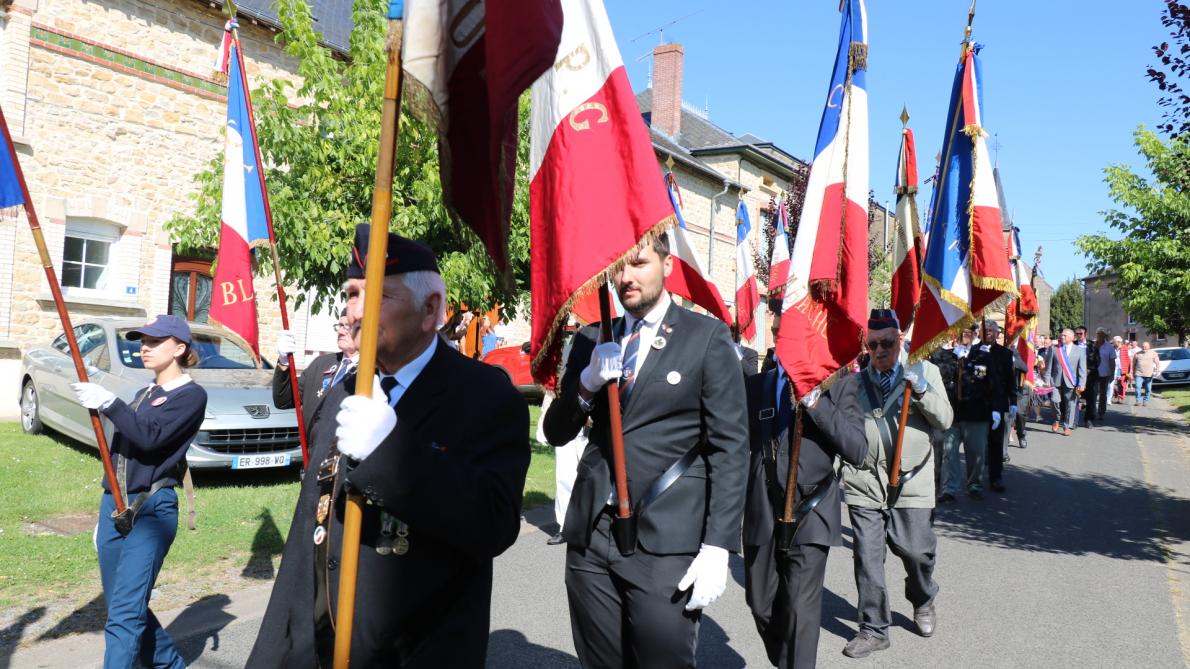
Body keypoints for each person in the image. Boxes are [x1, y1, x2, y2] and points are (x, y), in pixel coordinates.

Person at [247, 225, 529, 667]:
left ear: (430, 309)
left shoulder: (484, 396)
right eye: (350, 293)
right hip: (320, 644)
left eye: (374, 294)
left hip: (415, 651)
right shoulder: (345, 390)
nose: (353, 311)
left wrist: (392, 454)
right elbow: (309, 530)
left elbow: (493, 524)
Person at [542, 235, 748, 668]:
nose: (626, 277)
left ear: (667, 264)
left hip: (667, 538)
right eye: (618, 268)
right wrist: (586, 384)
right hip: (593, 534)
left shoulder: (705, 336)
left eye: (639, 263)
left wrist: (718, 546)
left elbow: (731, 448)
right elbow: (556, 431)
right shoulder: (593, 339)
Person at [70, 315, 208, 669]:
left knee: (124, 618)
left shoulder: (191, 396)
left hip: (151, 509)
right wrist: (104, 510)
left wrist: (109, 403)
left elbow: (150, 438)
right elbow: (120, 454)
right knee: (123, 607)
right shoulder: (144, 392)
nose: (143, 347)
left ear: (179, 348)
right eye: (142, 341)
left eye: (154, 341)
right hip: (115, 506)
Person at [742, 307, 868, 669]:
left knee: (800, 611)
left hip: (812, 510)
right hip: (764, 506)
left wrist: (814, 401)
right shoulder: (763, 381)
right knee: (761, 602)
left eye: (788, 334)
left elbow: (857, 450)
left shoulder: (841, 383)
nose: (781, 341)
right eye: (777, 332)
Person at [841, 310, 951, 659]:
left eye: (887, 342)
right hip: (865, 480)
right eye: (872, 344)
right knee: (868, 559)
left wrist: (920, 388)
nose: (879, 350)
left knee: (917, 552)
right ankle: (873, 628)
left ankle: (923, 597)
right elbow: (844, 429)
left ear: (900, 340)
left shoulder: (925, 371)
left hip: (912, 479)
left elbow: (945, 420)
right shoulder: (857, 381)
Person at [273, 309, 359, 432]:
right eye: (340, 325)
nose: (340, 331)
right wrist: (284, 360)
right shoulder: (321, 364)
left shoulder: (374, 372)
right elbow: (284, 400)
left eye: (347, 326)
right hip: (314, 449)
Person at [949, 323, 1007, 500]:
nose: (965, 334)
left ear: (975, 334)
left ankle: (974, 484)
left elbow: (994, 384)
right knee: (948, 453)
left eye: (969, 332)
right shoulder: (948, 356)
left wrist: (997, 409)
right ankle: (948, 489)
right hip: (952, 414)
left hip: (976, 413)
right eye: (962, 332)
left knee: (976, 453)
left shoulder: (983, 355)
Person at [982, 322, 1016, 493]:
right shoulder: (975, 352)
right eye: (985, 330)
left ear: (997, 334)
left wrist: (1014, 401)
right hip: (979, 404)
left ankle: (996, 477)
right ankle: (975, 479)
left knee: (996, 442)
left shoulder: (1005, 354)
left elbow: (1011, 380)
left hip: (998, 404)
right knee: (979, 443)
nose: (988, 333)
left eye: (991, 331)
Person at [927, 337, 960, 504]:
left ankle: (934, 495)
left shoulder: (950, 357)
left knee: (939, 455)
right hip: (917, 413)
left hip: (939, 411)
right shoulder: (914, 356)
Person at [1048, 328, 1087, 436]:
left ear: (1071, 337)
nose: (1062, 336)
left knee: (1071, 404)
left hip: (1071, 382)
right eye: (1061, 335)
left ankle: (1067, 426)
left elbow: (1082, 369)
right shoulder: (1054, 349)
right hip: (1055, 381)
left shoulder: (1080, 351)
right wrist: (1047, 381)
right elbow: (1048, 367)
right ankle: (1056, 419)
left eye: (1065, 335)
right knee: (1055, 400)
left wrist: (1082, 384)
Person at [1090, 328, 1116, 425]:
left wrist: (1112, 374)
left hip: (1105, 374)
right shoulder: (1093, 345)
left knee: (1103, 394)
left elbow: (1112, 362)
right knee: (1093, 393)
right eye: (1098, 334)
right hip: (1093, 373)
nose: (1099, 336)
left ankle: (1101, 412)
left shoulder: (1109, 347)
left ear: (1105, 336)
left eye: (1101, 334)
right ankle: (1092, 412)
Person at [1133, 341, 1160, 406]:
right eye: (1142, 346)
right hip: (1139, 374)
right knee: (1138, 387)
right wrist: (1133, 372)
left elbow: (1157, 362)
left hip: (1149, 374)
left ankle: (1145, 401)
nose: (1144, 347)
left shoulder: (1153, 353)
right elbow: (1133, 364)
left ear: (1149, 347)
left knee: (1148, 388)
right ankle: (1138, 401)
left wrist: (1157, 370)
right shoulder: (1137, 354)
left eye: (1145, 346)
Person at [1114, 336, 1132, 403]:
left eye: (1114, 342)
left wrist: (1130, 370)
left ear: (1119, 342)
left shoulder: (1125, 348)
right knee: (1110, 383)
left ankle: (1120, 397)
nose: (1113, 343)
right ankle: (1115, 393)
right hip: (1113, 368)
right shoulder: (1113, 348)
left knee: (1121, 384)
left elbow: (1130, 359)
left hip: (1122, 368)